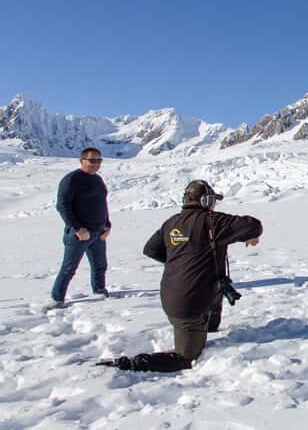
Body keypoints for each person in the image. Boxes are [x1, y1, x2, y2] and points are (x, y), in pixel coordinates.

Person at [97, 180, 262, 372]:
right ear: (207, 201)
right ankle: (128, 364)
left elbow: (151, 249)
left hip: (174, 296)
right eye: (213, 201)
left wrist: (181, 261)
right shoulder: (212, 221)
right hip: (188, 305)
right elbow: (253, 226)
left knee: (217, 285)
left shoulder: (172, 223)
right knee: (186, 358)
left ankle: (209, 327)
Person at [47, 147, 111, 310]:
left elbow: (102, 204)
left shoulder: (98, 180)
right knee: (69, 268)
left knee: (100, 265)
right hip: (79, 234)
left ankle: (99, 290)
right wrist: (77, 228)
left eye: (99, 160)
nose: (96, 164)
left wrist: (107, 225)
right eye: (92, 160)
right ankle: (57, 299)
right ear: (82, 160)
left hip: (98, 232)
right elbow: (62, 205)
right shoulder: (72, 179)